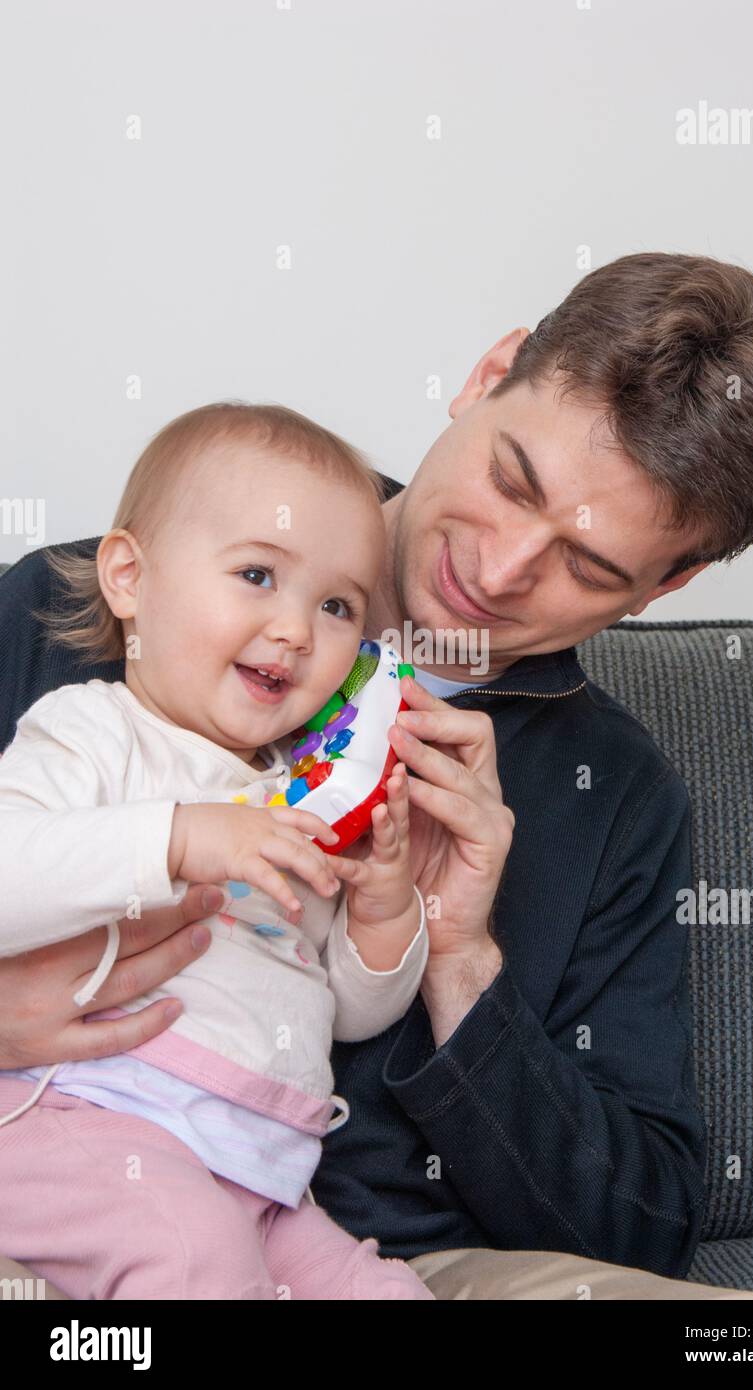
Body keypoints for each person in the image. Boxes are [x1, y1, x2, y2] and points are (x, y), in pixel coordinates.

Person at [0, 252, 753, 1300]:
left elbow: (643, 1230)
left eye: (588, 564)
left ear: (669, 586)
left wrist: (460, 960)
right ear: (488, 375)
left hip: (390, 1259)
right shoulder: (97, 602)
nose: (500, 568)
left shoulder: (617, 793)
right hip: (62, 1182)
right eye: (513, 481)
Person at [0, 402, 462, 1298]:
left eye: (336, 605)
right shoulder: (92, 732)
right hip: (84, 1120)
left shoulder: (291, 799)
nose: (296, 629)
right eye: (257, 573)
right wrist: (180, 836)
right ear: (130, 578)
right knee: (191, 1262)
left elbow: (348, 1012)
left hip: (259, 1168)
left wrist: (382, 909)